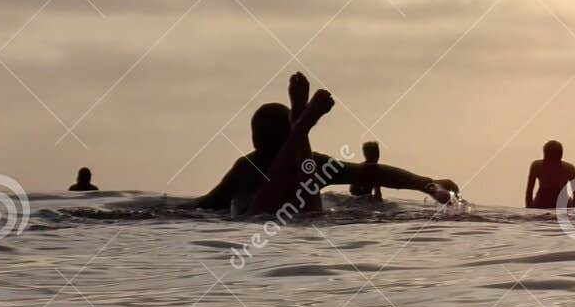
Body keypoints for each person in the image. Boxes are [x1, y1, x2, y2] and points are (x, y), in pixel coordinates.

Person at [192, 73, 458, 217]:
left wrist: (428, 183)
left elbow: (205, 205)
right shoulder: (251, 167)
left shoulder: (248, 165)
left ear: (255, 140)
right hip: (301, 209)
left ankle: (303, 121)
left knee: (280, 209)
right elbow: (373, 172)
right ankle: (302, 122)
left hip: (271, 214)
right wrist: (428, 184)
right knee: (303, 202)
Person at [525, 141, 575, 210]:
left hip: (543, 203)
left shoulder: (537, 166)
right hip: (557, 203)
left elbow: (529, 191)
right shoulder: (569, 168)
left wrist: (529, 208)